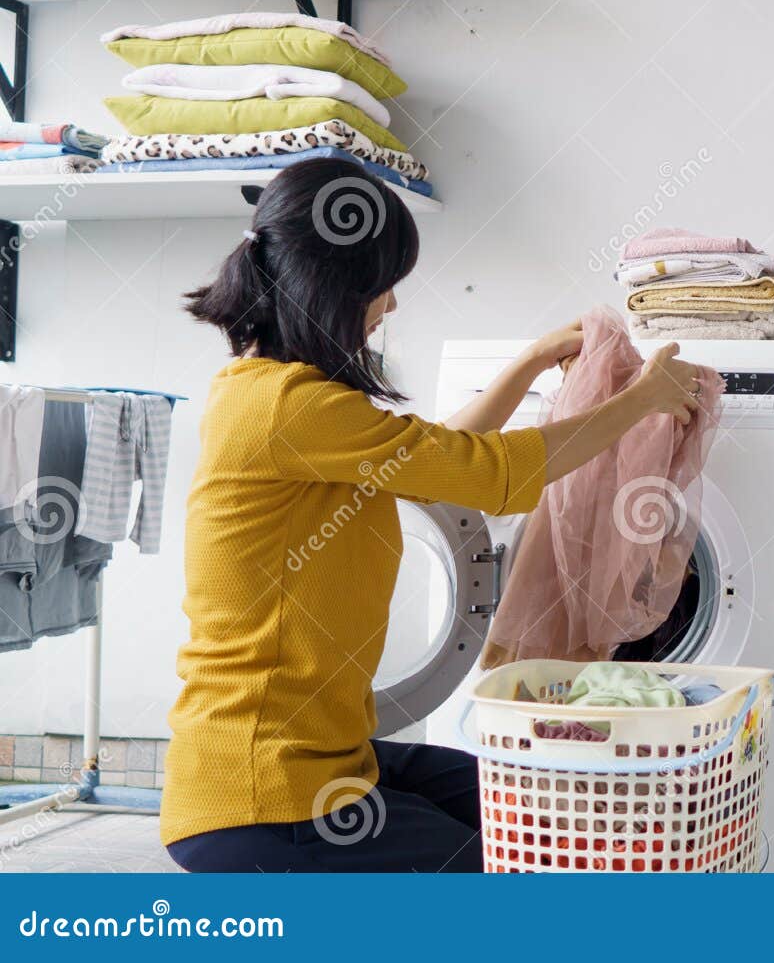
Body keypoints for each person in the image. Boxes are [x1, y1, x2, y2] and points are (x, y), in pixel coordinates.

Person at [162, 157, 708, 872]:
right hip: (267, 798)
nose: (390, 306)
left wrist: (536, 359)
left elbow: (444, 462)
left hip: (323, 760)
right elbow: (497, 478)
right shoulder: (287, 408)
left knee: (522, 803)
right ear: (333, 287)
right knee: (509, 872)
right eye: (382, 285)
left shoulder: (278, 397)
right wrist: (639, 401)